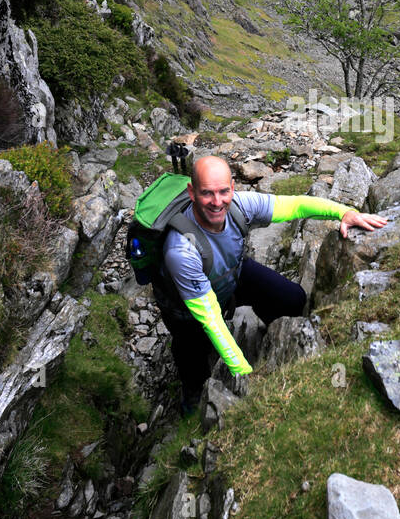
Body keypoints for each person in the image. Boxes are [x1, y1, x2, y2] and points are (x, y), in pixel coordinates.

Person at [157, 154, 387, 414]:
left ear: (233, 187)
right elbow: (210, 317)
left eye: (223, 191)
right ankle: (191, 397)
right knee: (195, 365)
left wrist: (345, 213)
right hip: (188, 311)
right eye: (207, 193)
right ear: (192, 192)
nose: (217, 202)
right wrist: (245, 373)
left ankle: (272, 339)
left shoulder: (239, 206)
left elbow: (296, 206)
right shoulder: (181, 250)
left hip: (231, 276)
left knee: (292, 299)